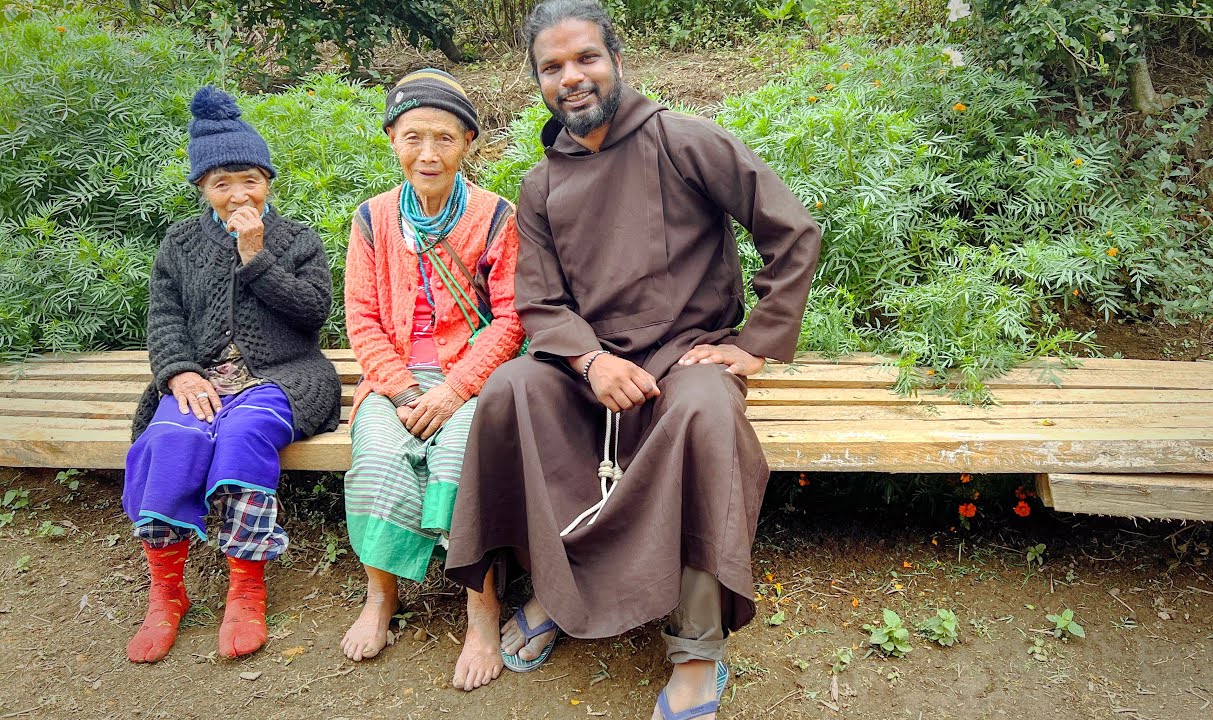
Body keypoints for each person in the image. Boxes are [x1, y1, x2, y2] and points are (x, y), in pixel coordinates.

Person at [443, 2, 822, 717]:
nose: (571, 77)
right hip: (592, 368)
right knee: (512, 388)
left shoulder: (685, 141)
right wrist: (590, 364)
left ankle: (697, 649)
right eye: (552, 66)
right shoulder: (541, 185)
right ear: (537, 81)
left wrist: (753, 343)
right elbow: (542, 302)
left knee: (707, 412)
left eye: (586, 57)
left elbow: (793, 232)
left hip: (684, 359)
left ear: (616, 60)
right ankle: (560, 592)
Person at [122, 86, 342, 663]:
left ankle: (246, 587)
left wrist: (256, 256)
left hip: (283, 375)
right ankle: (166, 593)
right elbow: (164, 317)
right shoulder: (180, 242)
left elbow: (314, 312)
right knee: (170, 439)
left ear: (267, 180)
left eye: (250, 179)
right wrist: (179, 374)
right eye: (222, 183)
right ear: (202, 188)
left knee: (244, 435)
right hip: (202, 378)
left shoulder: (296, 239)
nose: (238, 194)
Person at [339, 69, 524, 692]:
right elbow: (362, 319)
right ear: (392, 138)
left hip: (472, 377)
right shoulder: (371, 219)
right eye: (413, 136)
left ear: (468, 143)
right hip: (394, 379)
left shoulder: (496, 217)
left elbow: (512, 320)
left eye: (444, 138)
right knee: (377, 456)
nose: (428, 153)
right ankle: (380, 595)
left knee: (461, 461)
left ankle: (482, 610)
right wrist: (399, 389)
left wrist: (453, 389)